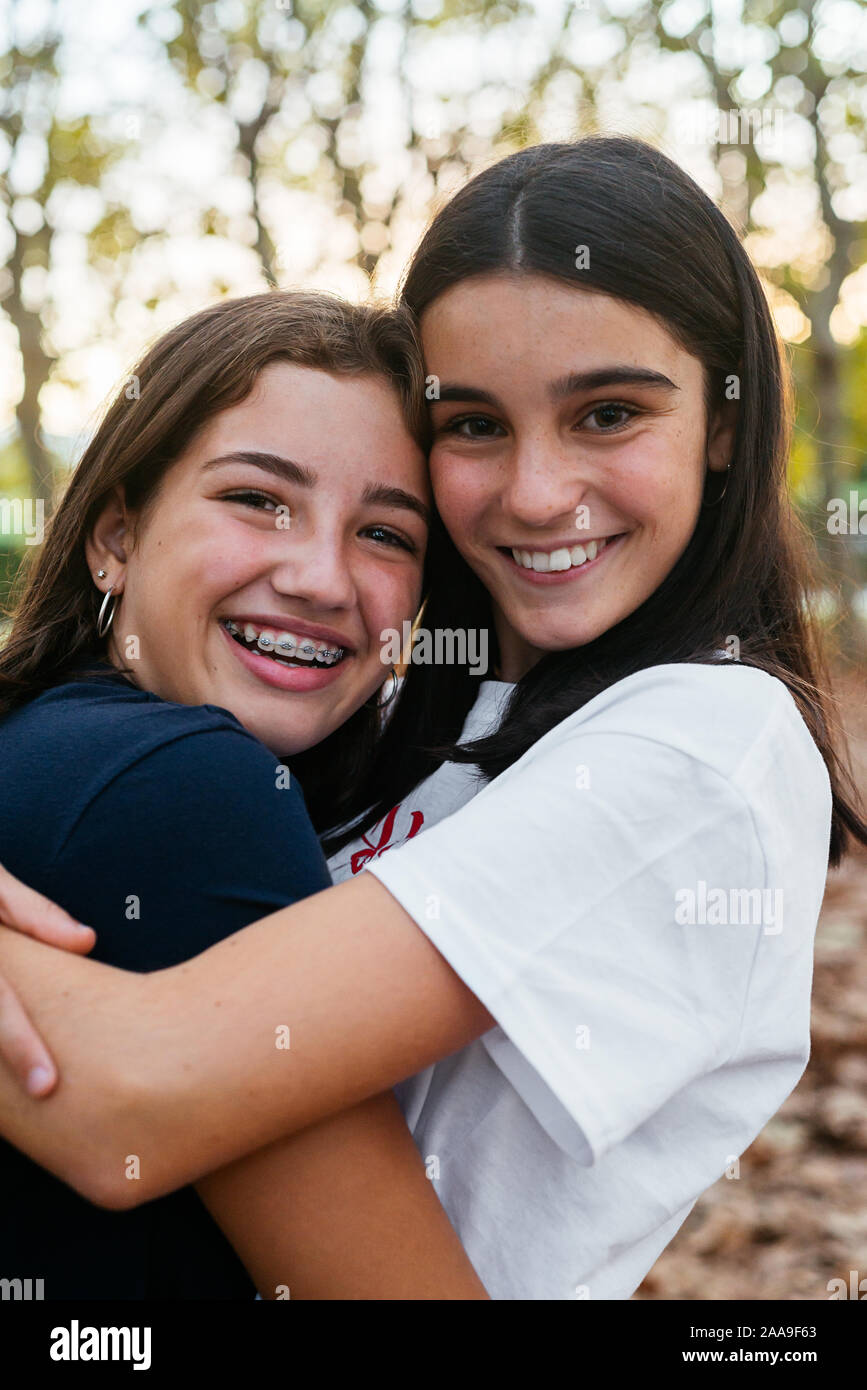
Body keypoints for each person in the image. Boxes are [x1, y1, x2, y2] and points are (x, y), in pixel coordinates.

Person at [0, 136, 864, 1301]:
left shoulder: (701, 747)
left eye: (608, 412)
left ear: (722, 422)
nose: (537, 493)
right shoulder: (381, 721)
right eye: (474, 425)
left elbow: (125, 1093)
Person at [0, 289, 488, 1300]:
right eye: (259, 499)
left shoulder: (41, 737)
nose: (321, 579)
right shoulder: (189, 785)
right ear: (116, 536)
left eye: (386, 534)